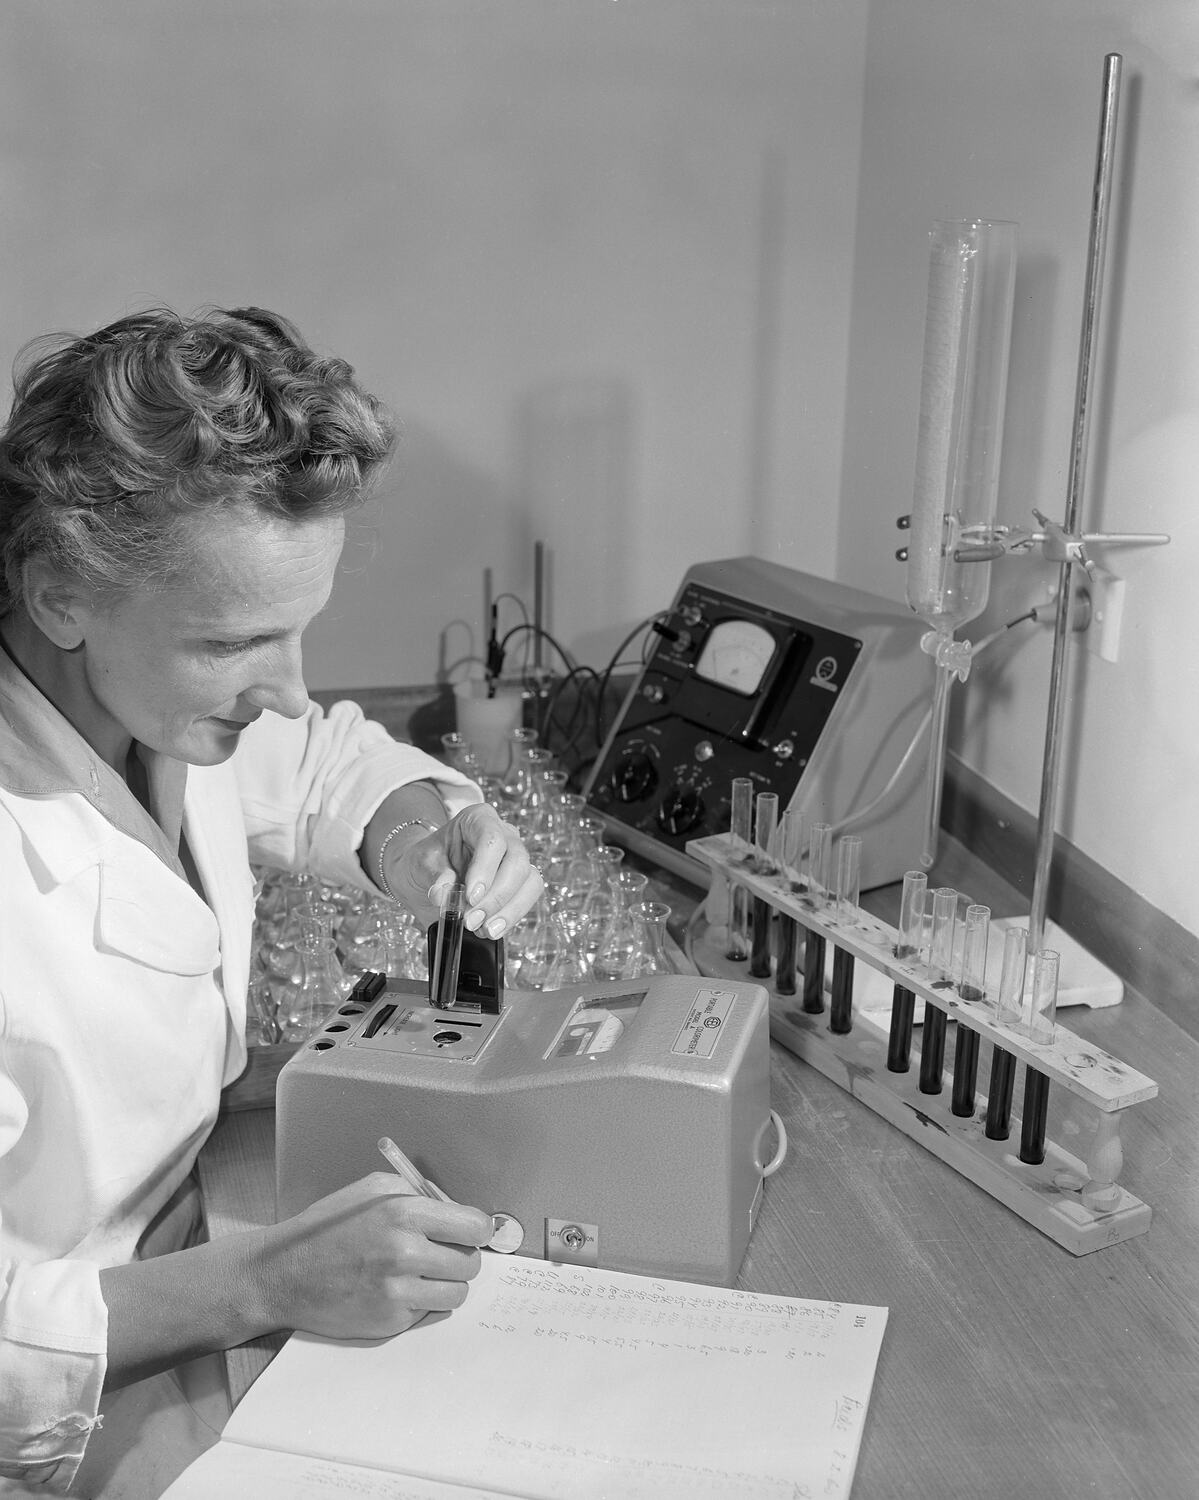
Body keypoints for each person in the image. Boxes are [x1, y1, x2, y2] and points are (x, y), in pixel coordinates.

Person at [0, 307, 543, 1497]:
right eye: (238, 641)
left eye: (300, 632)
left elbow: (321, 765)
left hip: (178, 1301)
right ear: (57, 595)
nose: (290, 692)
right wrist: (263, 1284)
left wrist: (426, 832)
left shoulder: (139, 690)